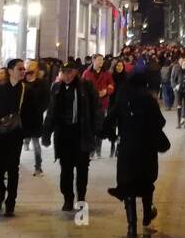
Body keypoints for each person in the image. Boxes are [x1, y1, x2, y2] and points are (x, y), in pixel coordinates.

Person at [106, 64, 170, 238]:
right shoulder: (148, 99)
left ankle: (131, 228)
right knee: (146, 184)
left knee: (128, 186)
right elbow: (161, 122)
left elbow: (110, 119)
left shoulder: (122, 97)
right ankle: (147, 216)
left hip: (127, 148)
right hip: (146, 150)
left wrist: (111, 134)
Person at [42, 59, 101, 212]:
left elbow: (96, 109)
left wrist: (97, 130)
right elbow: (51, 112)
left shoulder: (85, 87)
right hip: (63, 134)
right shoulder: (56, 88)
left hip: (81, 133)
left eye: (69, 73)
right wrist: (46, 133)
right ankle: (68, 198)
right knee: (66, 169)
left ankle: (81, 198)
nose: (66, 76)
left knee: (82, 169)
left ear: (75, 73)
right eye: (63, 72)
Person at [0, 60, 38, 216]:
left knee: (13, 168)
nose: (23, 71)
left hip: (16, 135)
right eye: (19, 68)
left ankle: (11, 202)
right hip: (0, 134)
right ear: (10, 71)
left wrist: (26, 130)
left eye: (24, 69)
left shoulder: (26, 91)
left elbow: (32, 113)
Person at [84, 54, 116, 158]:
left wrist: (106, 91)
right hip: (89, 104)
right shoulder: (86, 73)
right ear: (93, 60)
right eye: (99, 60)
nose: (101, 62)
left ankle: (98, 150)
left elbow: (111, 85)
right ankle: (91, 149)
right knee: (90, 127)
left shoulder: (106, 74)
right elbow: (82, 86)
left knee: (99, 127)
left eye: (102, 60)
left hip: (102, 104)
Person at [22, 60, 50, 176]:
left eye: (32, 65)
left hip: (35, 117)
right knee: (17, 143)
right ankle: (13, 166)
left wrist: (40, 110)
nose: (29, 67)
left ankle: (38, 167)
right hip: (22, 116)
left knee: (36, 142)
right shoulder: (21, 82)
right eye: (27, 65)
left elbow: (46, 100)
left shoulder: (42, 83)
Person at [106, 56, 129, 156]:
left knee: (121, 127)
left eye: (121, 66)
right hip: (112, 104)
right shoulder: (111, 77)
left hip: (123, 105)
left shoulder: (126, 77)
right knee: (112, 126)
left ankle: (119, 147)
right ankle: (112, 144)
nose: (119, 68)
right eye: (118, 66)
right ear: (115, 67)